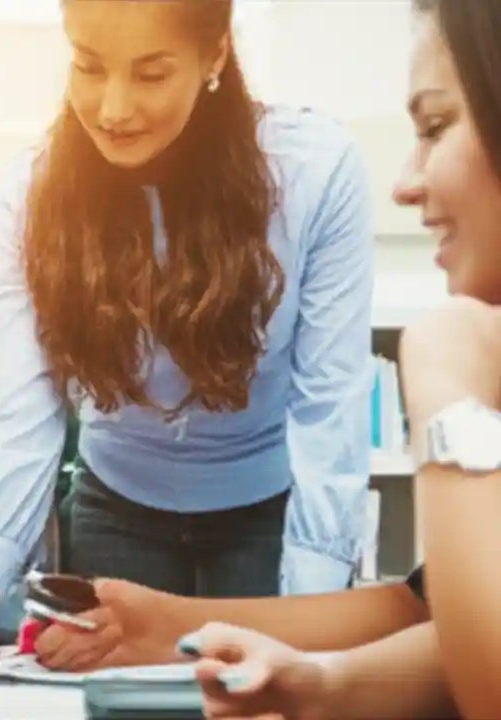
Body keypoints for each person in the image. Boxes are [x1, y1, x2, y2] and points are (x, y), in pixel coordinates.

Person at [0, 0, 375, 686]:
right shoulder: (33, 193)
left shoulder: (313, 171)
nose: (112, 107)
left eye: (150, 74)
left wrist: (312, 615)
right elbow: (25, 408)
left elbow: (332, 412)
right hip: (116, 514)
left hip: (265, 517)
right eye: (88, 66)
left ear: (215, 56)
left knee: (259, 697)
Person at [182, 0, 501, 717]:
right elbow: (444, 628)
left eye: (436, 127)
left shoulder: (460, 359)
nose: (405, 183)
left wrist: (454, 398)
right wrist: (319, 685)